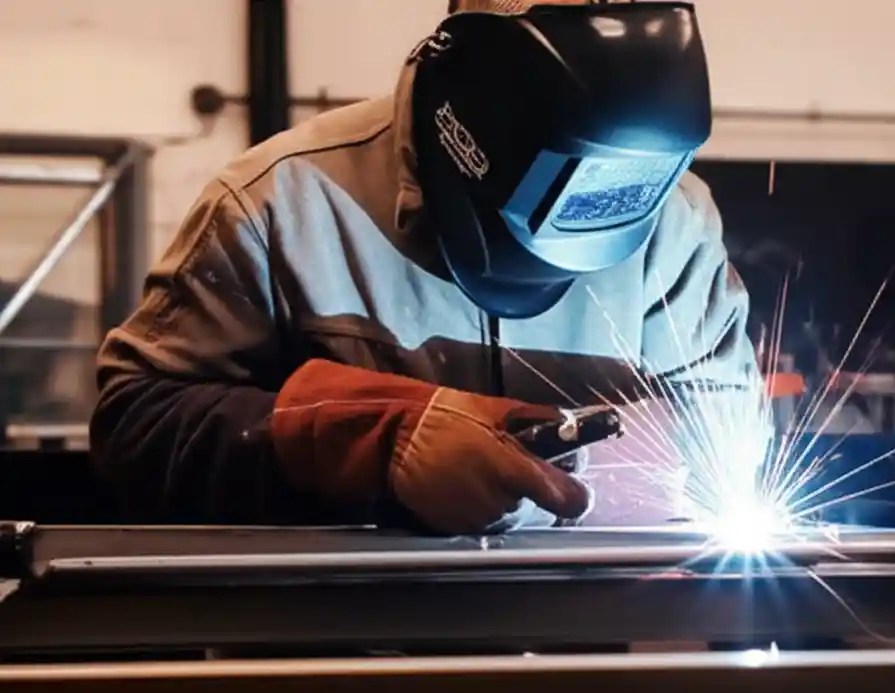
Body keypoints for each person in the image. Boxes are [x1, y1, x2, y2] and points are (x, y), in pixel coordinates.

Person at [90, 0, 758, 533]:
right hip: (335, 664)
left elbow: (727, 444)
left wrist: (581, 470)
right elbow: (137, 425)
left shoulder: (676, 223)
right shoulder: (280, 200)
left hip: (578, 664)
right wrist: (377, 441)